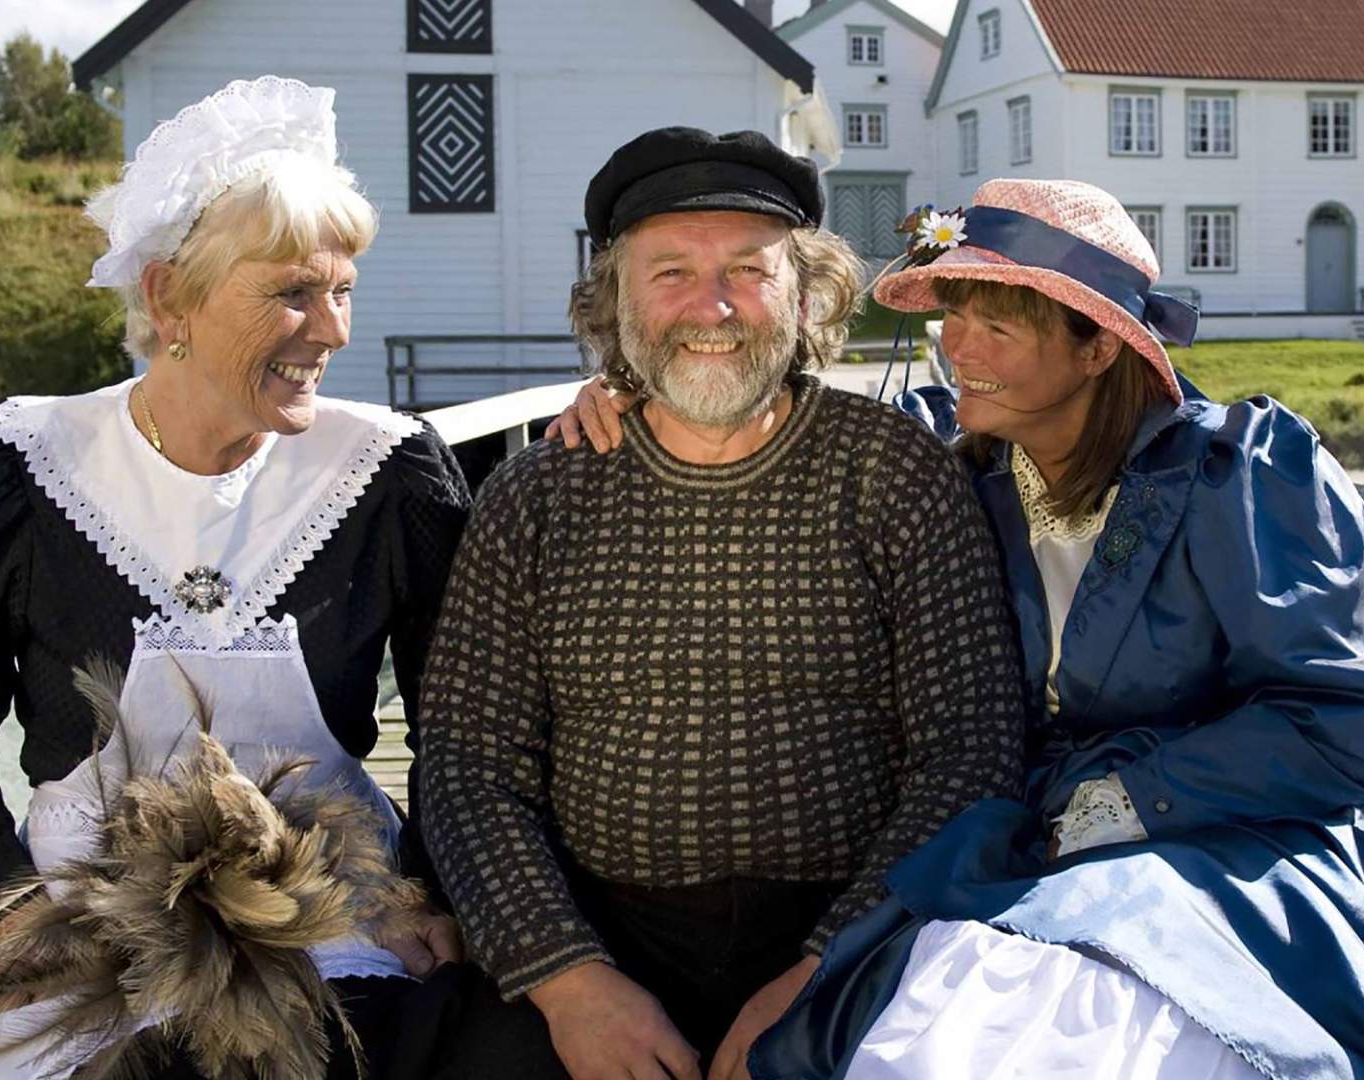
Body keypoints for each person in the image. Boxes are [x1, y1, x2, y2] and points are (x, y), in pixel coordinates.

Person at [552, 180, 1364, 1080]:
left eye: (997, 323)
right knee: (914, 1011)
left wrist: (1119, 805)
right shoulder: (965, 473)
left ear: (1100, 346)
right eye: (953, 318)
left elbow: (1350, 726)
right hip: (1024, 833)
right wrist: (621, 395)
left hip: (1239, 840)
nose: (960, 349)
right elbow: (766, 426)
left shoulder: (1239, 475)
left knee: (1083, 1010)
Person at [0, 77, 470, 1079]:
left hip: (330, 907)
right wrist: (16, 911)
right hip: (75, 907)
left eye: (344, 289)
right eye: (293, 291)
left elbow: (462, 733)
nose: (335, 330)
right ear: (167, 297)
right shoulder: (20, 467)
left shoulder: (389, 473)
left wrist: (425, 889)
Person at [415, 126, 1025, 1080]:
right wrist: (568, 981)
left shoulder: (891, 472)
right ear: (615, 301)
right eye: (669, 274)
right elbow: (468, 763)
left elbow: (971, 747)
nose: (713, 306)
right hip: (595, 932)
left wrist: (828, 968)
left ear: (806, 292)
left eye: (750, 268)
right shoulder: (537, 493)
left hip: (851, 929)